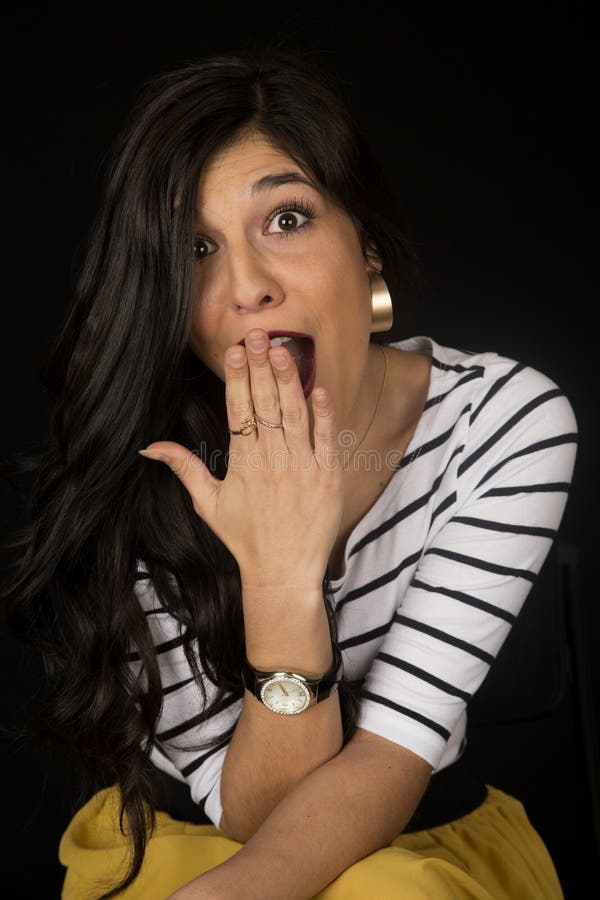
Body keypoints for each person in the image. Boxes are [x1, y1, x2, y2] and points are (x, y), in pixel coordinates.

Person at [1, 44, 578, 900]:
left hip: (422, 842)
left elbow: (391, 750)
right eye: (196, 246)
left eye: (286, 219)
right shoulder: (137, 465)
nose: (248, 286)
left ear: (368, 245)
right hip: (185, 839)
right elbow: (251, 813)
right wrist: (278, 577)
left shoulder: (503, 420)